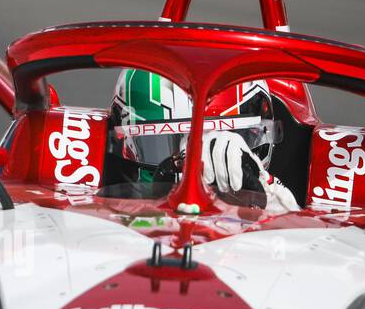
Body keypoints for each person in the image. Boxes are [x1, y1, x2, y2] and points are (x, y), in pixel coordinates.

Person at [107, 69, 300, 210]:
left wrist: (269, 194)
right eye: (164, 145)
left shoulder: (279, 201)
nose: (199, 169)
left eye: (232, 141)